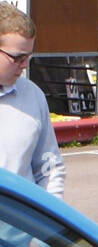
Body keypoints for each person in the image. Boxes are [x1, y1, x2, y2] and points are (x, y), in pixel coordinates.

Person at [0, 4, 65, 198]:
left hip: (18, 225)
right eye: (18, 57)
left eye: (28, 57)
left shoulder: (33, 95)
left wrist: (54, 214)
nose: (25, 65)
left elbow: (50, 168)